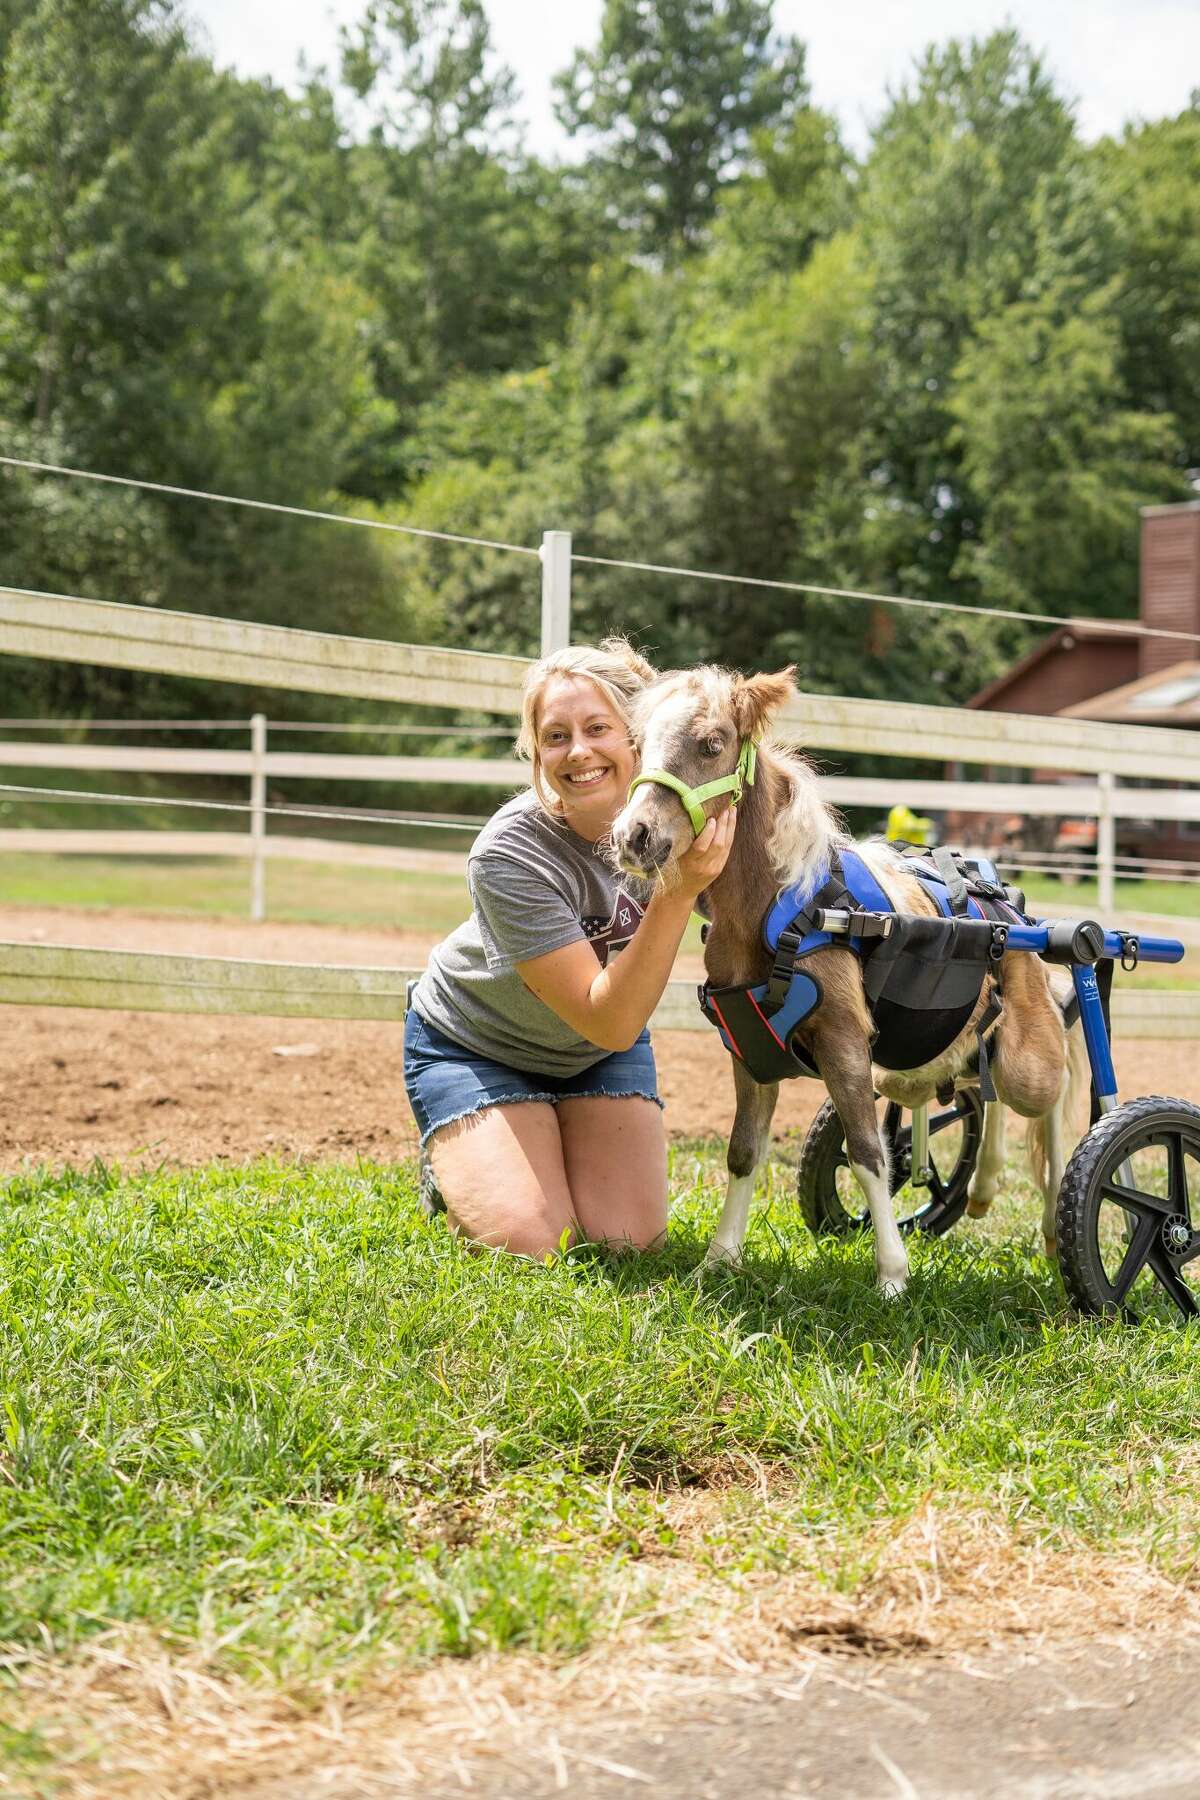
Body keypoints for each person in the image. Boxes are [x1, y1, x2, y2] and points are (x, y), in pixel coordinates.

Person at [403, 638, 735, 1257]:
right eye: (556, 737)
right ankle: (456, 1157)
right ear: (536, 752)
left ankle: (544, 1136)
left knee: (630, 1243)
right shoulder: (508, 853)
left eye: (598, 729)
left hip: (594, 1054)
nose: (578, 751)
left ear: (639, 737)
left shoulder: (679, 816)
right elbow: (609, 1020)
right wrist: (678, 891)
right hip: (480, 1045)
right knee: (534, 1244)